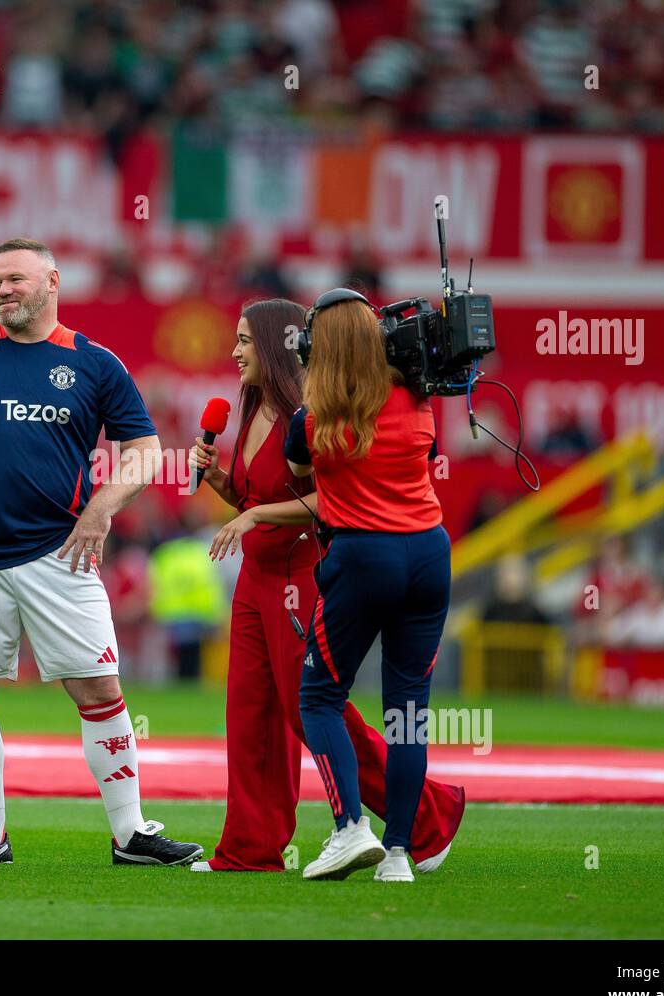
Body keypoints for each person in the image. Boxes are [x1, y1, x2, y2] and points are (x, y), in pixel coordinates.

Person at [0, 237, 202, 867]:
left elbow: (143, 450)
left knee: (98, 688)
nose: (2, 291)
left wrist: (102, 508)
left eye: (16, 280)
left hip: (61, 557)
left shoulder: (94, 363)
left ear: (52, 281)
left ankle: (130, 832)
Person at [187, 299, 464, 874]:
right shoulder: (255, 408)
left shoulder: (312, 409)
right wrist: (220, 483)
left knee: (310, 708)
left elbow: (317, 503)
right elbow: (252, 498)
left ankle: (421, 819)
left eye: (244, 341)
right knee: (250, 712)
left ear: (275, 345)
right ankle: (250, 848)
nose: (234, 351)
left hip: (298, 572)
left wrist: (258, 517)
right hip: (256, 577)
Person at [283, 289, 453, 883]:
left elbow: (301, 476)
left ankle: (349, 827)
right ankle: (401, 853)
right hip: (429, 552)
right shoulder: (419, 397)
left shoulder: (312, 418)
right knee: (408, 712)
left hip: (361, 554)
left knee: (319, 698)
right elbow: (428, 450)